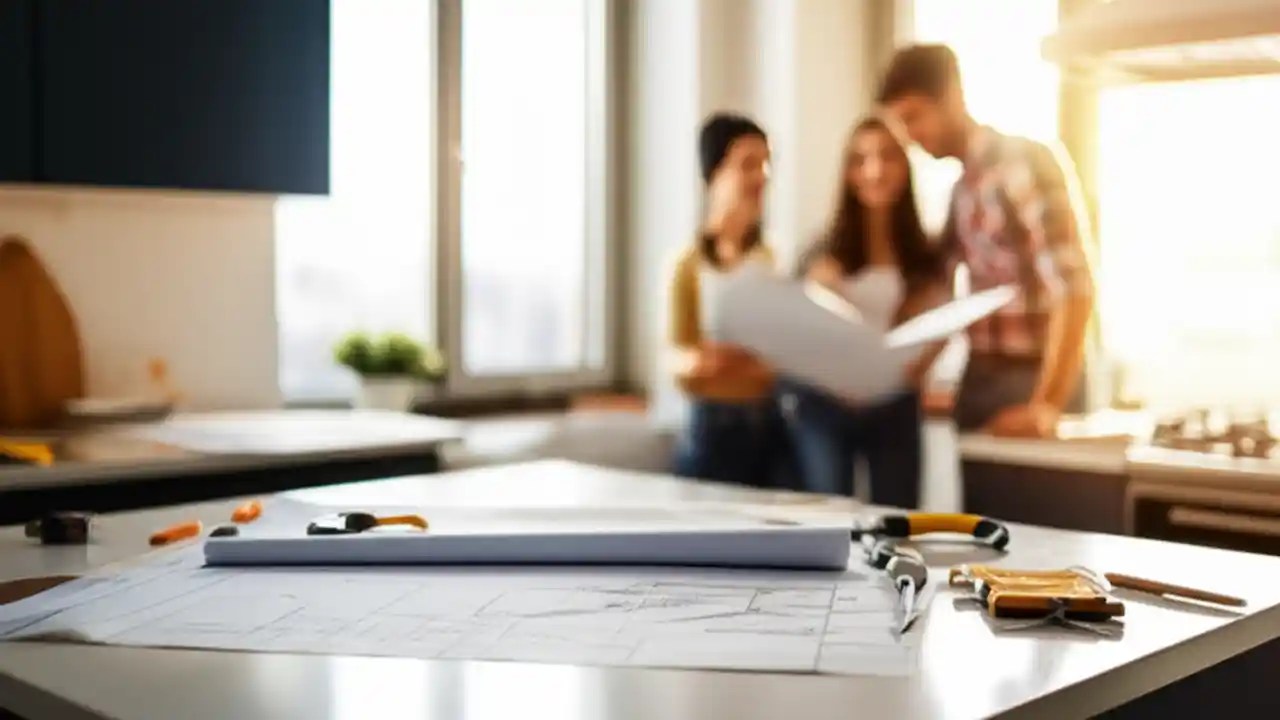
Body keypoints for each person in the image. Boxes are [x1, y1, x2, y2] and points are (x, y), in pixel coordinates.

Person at [879, 44, 1095, 437]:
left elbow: (1073, 288)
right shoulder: (961, 190)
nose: (911, 137)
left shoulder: (1023, 163)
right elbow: (942, 301)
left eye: (914, 117)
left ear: (952, 95)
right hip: (979, 379)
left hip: (1031, 377)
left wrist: (1045, 406)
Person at [778, 116, 947, 505]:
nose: (875, 171)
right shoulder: (821, 252)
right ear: (848, 173)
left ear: (904, 166)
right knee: (829, 515)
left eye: (887, 157)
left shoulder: (925, 256)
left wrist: (916, 365)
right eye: (861, 160)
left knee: (897, 519)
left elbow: (939, 328)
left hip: (894, 402)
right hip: (826, 405)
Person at [668, 113, 785, 487]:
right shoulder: (688, 266)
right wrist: (709, 362)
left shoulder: (773, 262)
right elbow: (677, 360)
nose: (761, 177)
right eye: (748, 164)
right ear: (713, 174)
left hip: (769, 425)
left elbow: (785, 358)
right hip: (711, 429)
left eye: (765, 164)